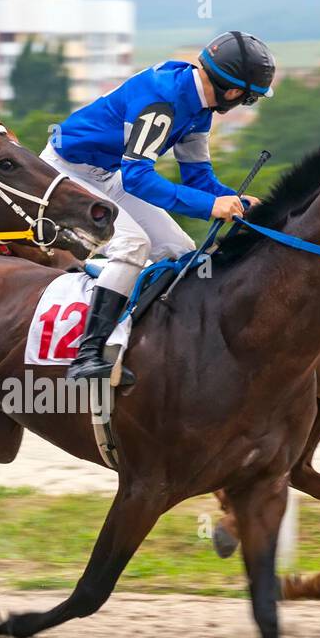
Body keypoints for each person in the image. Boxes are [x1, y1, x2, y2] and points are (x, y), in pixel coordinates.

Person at [41, 31, 275, 386]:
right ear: (232, 91)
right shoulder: (164, 100)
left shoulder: (198, 107)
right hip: (64, 174)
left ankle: (152, 344)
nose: (245, 103)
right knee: (134, 244)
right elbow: (138, 178)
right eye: (248, 98)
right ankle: (88, 353)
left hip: (108, 174)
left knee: (180, 252)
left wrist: (239, 202)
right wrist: (212, 206)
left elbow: (198, 179)